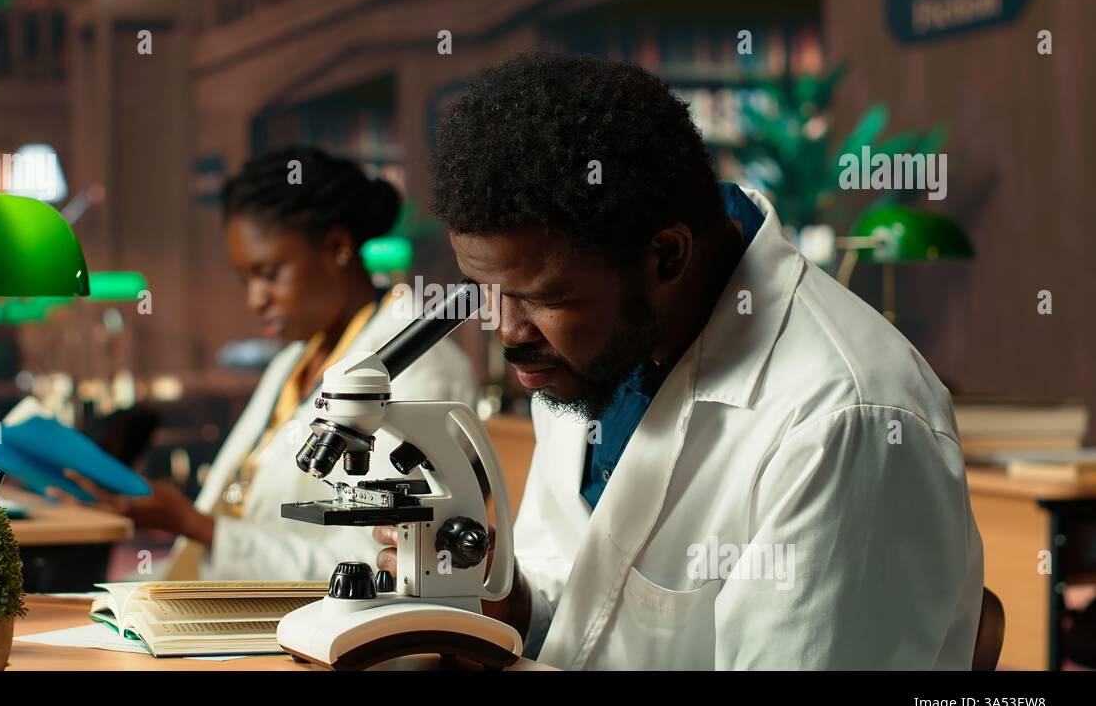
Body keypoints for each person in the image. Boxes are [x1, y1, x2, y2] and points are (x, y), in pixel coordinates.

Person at [373, 52, 984, 670]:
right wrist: (514, 607)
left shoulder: (843, 419)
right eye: (489, 291)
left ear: (664, 257)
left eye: (541, 297)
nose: (505, 330)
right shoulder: (594, 351)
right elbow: (589, 620)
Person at [57, 146, 478, 581]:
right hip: (232, 595)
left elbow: (377, 561)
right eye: (246, 280)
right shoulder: (296, 361)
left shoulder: (425, 366)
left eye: (270, 273)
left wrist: (192, 524)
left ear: (336, 247)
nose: (255, 300)